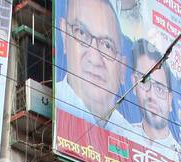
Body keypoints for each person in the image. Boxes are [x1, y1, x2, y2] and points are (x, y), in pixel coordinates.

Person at [55, 0, 136, 135]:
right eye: (81, 33)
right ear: (64, 34)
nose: (94, 59)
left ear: (122, 68)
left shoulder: (134, 141)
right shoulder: (56, 102)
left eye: (107, 46)